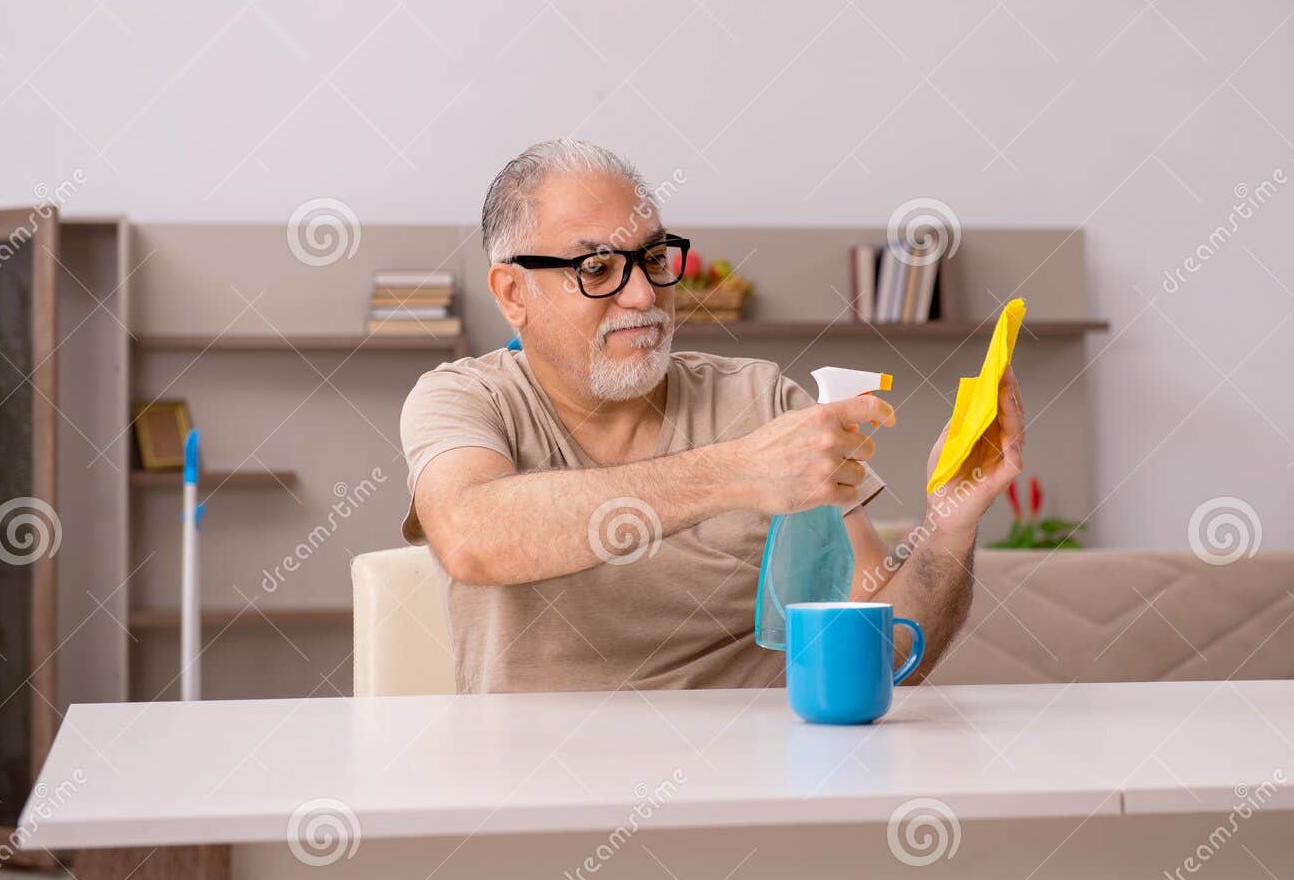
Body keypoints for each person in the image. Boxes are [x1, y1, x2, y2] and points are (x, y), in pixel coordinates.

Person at [400, 138, 1024, 694]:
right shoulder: (465, 399)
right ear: (514, 294)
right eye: (596, 268)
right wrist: (740, 473)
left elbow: (883, 652)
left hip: (757, 787)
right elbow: (470, 536)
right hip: (536, 788)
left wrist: (947, 529)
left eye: (652, 259)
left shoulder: (762, 401)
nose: (643, 295)